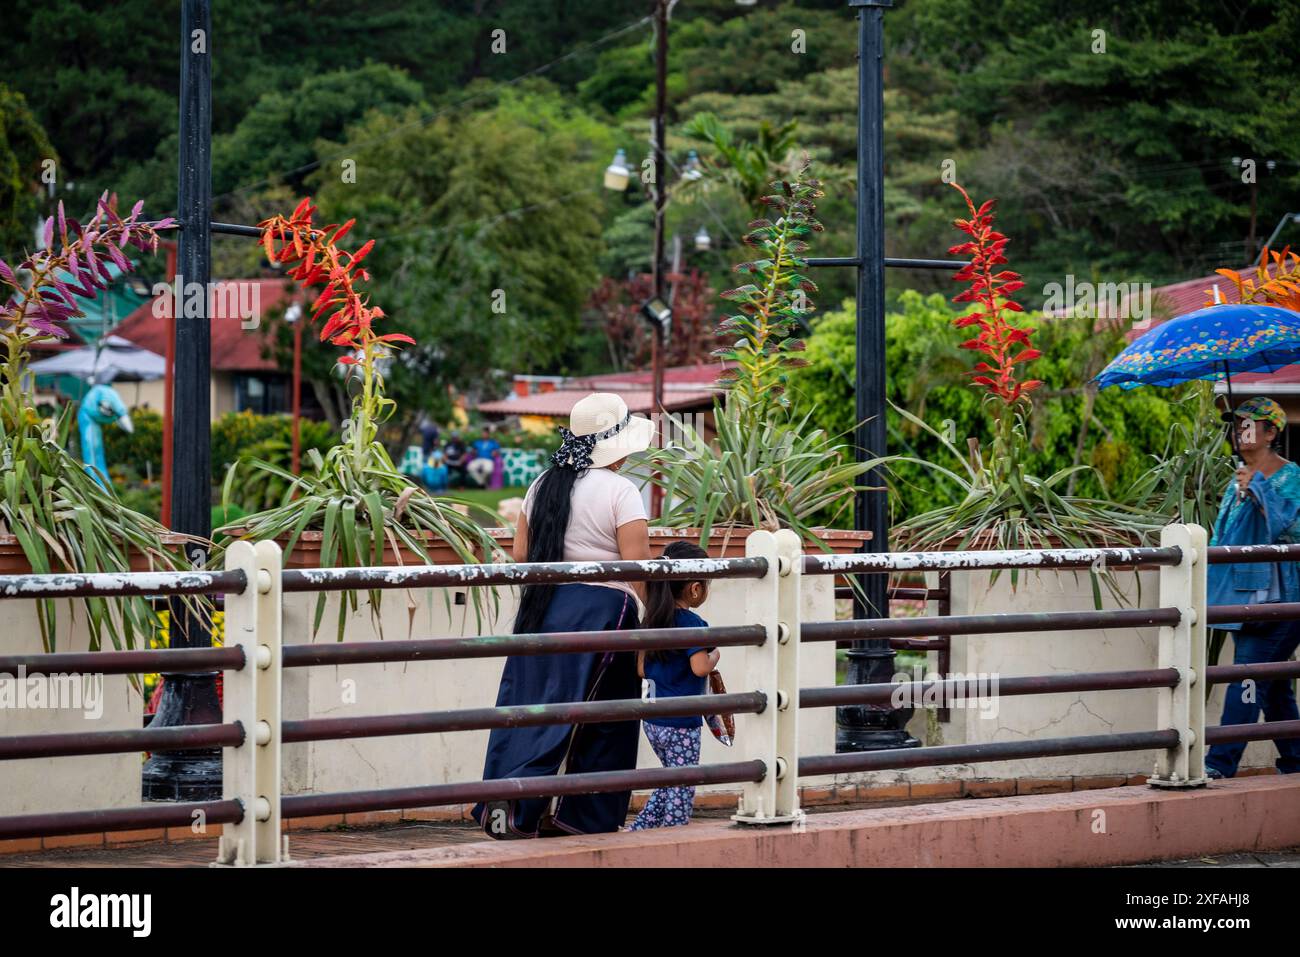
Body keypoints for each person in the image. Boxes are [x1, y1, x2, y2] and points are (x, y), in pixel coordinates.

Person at [470, 393, 655, 838]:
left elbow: (520, 554)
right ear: (616, 445)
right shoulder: (621, 491)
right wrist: (651, 627)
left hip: (543, 608)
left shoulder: (542, 485)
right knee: (608, 717)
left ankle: (511, 806)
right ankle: (584, 817)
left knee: (529, 706)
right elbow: (636, 566)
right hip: (606, 611)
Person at [1205, 397, 1300, 779]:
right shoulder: (1236, 481)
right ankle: (1295, 761)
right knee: (1272, 683)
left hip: (1284, 599)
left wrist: (1259, 490)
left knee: (1244, 678)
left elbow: (1289, 528)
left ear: (1271, 431)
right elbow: (1223, 536)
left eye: (1248, 424)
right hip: (1245, 596)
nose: (1239, 431)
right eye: (1236, 424)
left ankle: (1219, 764)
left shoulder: (1291, 476)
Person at [627, 540, 718, 831]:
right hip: (682, 723)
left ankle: (641, 829)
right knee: (682, 785)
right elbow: (700, 666)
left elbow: (641, 669)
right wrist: (716, 653)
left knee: (670, 778)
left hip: (653, 720)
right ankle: (672, 836)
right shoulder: (693, 623)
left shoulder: (651, 621)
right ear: (694, 588)